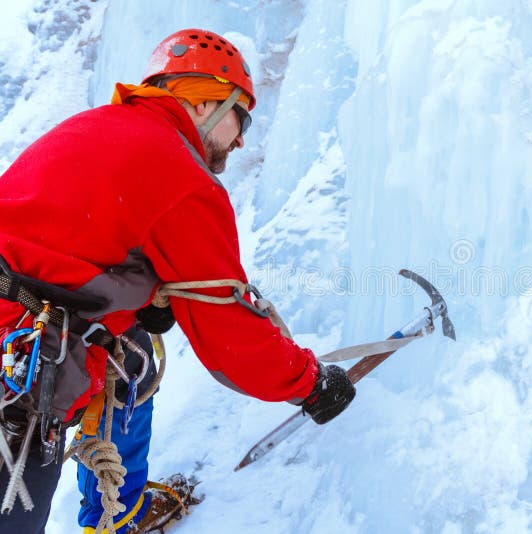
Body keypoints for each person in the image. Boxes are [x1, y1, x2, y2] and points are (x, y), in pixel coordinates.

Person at [0, 28, 356, 533]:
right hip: (17, 368)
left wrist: (129, 291)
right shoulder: (180, 173)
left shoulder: (95, 126)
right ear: (206, 99)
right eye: (241, 117)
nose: (239, 139)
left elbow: (58, 240)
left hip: (21, 319)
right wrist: (310, 383)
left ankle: (117, 510)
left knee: (133, 354)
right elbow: (231, 334)